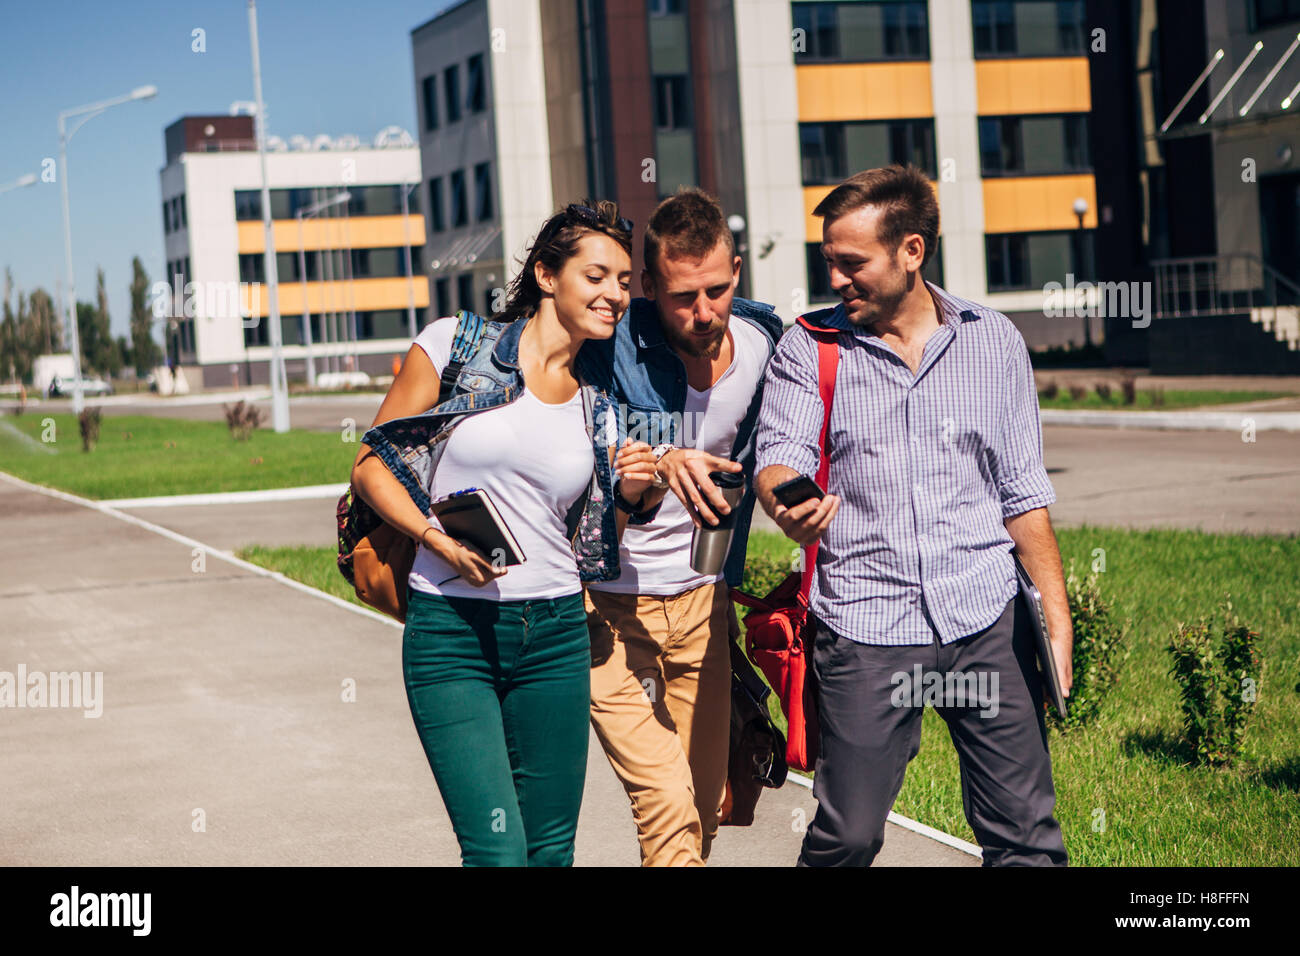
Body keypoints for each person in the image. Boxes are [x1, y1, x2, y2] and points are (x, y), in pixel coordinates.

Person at [754, 164, 1073, 867]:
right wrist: (789, 502)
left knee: (1026, 838)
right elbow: (777, 457)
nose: (836, 278)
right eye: (829, 262)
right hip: (867, 626)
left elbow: (1022, 492)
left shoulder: (993, 341)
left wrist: (1055, 613)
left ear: (911, 251)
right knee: (848, 836)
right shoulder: (811, 347)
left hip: (985, 619)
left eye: (851, 262)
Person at [351, 201, 660, 866]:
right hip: (453, 635)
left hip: (554, 635)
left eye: (625, 282)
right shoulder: (453, 346)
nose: (615, 294)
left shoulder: (597, 404)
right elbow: (371, 466)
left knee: (549, 853)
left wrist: (634, 494)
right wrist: (433, 539)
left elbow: (595, 547)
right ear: (548, 275)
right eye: (597, 276)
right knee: (496, 851)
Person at [575, 188, 783, 866]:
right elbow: (552, 434)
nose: (702, 312)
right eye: (680, 297)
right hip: (607, 607)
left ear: (737, 273)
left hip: (703, 601)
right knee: (665, 806)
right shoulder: (606, 348)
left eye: (716, 291)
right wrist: (648, 462)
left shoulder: (766, 343)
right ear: (648, 290)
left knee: (701, 810)